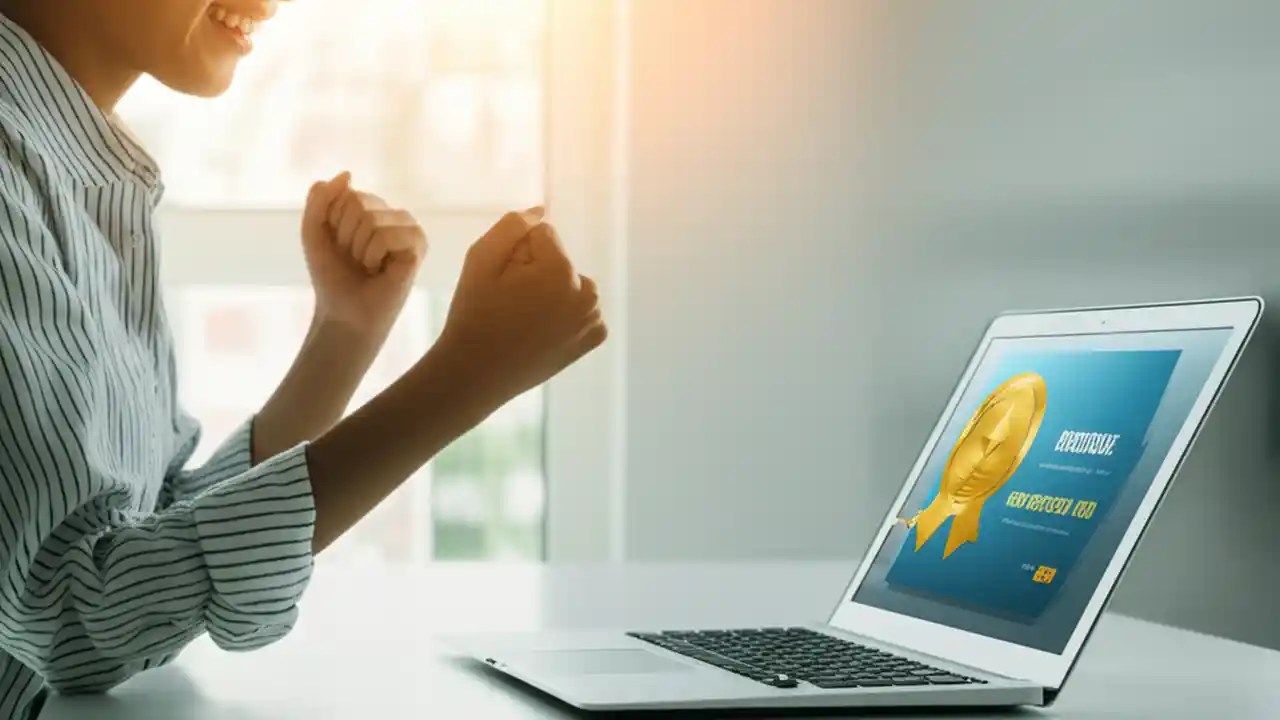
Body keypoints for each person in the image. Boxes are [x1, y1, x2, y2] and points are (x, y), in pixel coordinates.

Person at [0, 1, 607, 717]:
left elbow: (143, 539)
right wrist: (463, 380)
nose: (266, 4)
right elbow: (76, 616)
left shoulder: (76, 170)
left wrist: (343, 336)